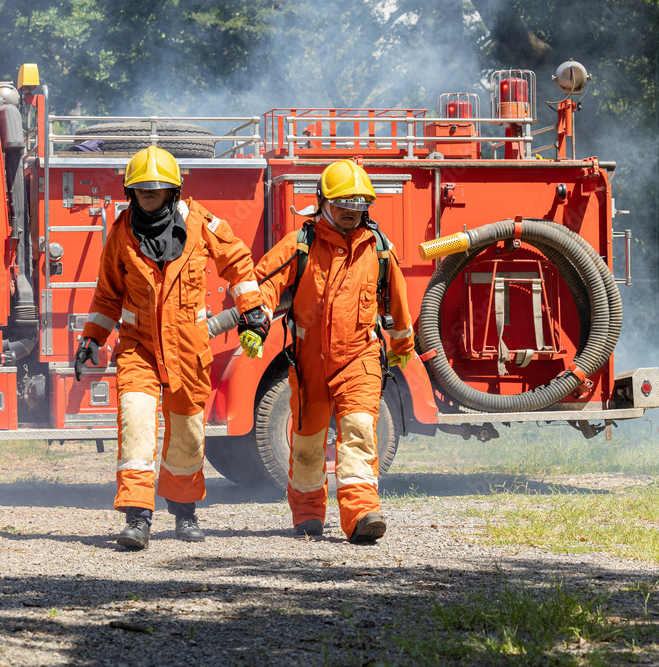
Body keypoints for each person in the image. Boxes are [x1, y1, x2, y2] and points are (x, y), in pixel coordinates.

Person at [75, 146, 269, 550]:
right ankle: (137, 517)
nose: (149, 194)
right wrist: (92, 337)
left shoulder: (200, 223)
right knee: (136, 424)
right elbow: (108, 294)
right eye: (141, 188)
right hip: (139, 348)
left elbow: (237, 260)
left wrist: (251, 308)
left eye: (157, 188)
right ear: (130, 192)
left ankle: (184, 513)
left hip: (188, 349)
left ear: (173, 190)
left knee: (187, 434)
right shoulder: (121, 233)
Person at [250, 158, 414, 544]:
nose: (351, 212)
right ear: (324, 202)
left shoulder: (378, 249)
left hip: (360, 356)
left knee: (359, 431)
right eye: (343, 205)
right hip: (310, 361)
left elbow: (398, 303)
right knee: (308, 443)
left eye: (358, 205)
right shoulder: (300, 245)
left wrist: (403, 345)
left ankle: (361, 514)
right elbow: (264, 284)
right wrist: (255, 321)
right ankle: (308, 512)